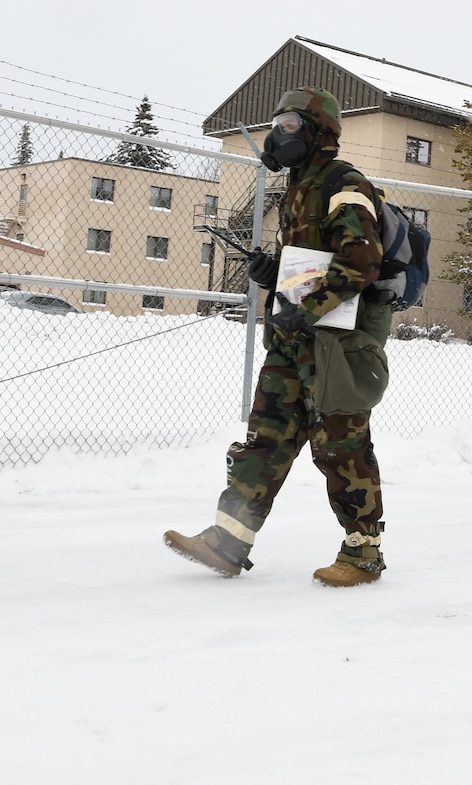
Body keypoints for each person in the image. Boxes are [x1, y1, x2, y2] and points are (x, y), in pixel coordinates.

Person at [165, 87, 392, 585]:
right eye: (277, 123)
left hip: (336, 342)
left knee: (340, 444)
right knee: (266, 437)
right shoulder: (297, 187)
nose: (277, 134)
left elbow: (362, 261)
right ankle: (228, 540)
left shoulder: (343, 184)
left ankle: (363, 554)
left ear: (318, 132)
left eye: (288, 124)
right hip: (292, 338)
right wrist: (275, 274)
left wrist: (306, 308)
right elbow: (316, 261)